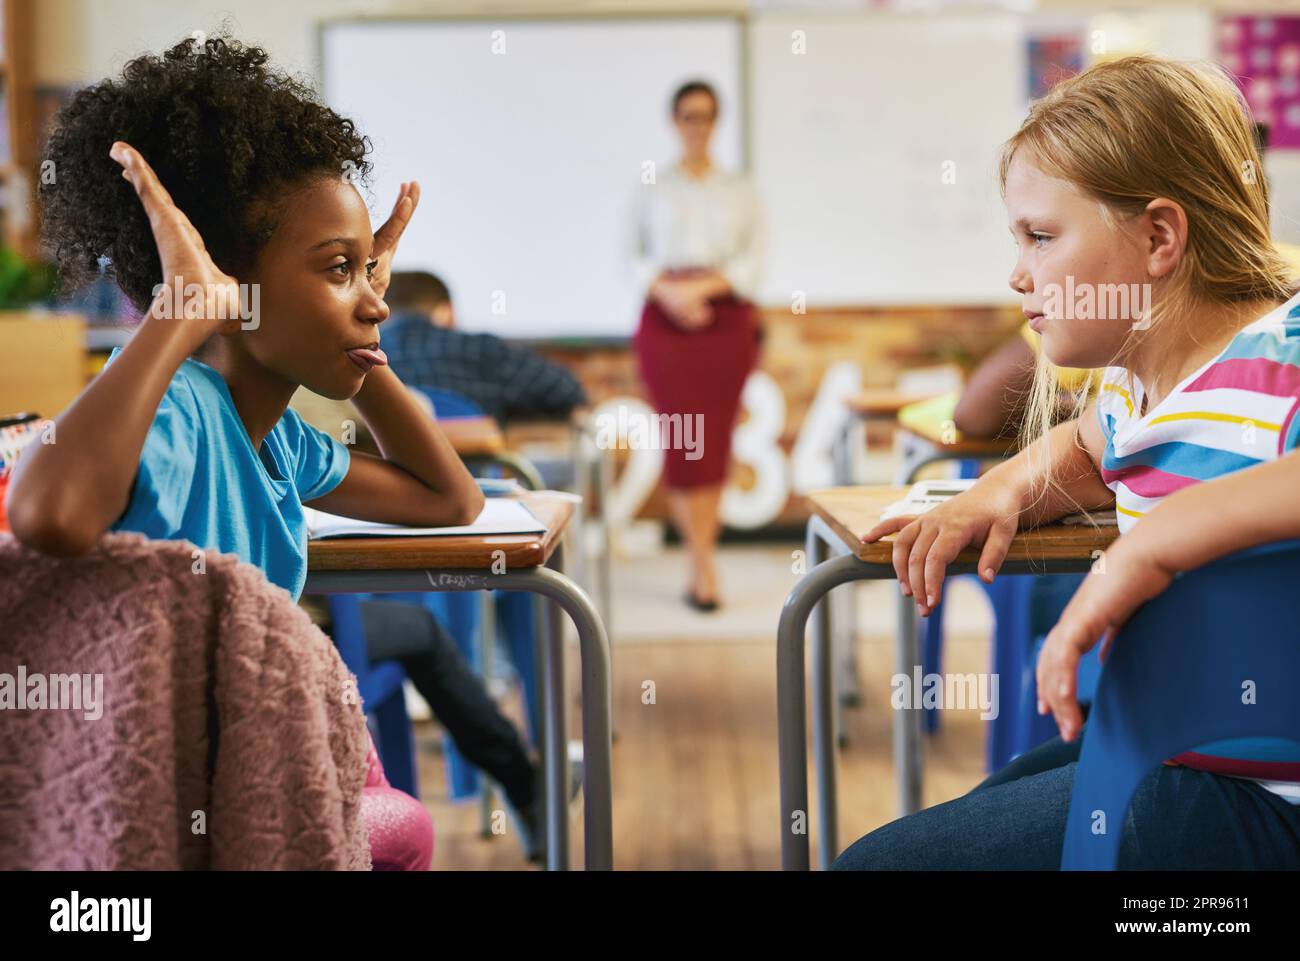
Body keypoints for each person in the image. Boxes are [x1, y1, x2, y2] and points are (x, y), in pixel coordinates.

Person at [1, 35, 551, 863]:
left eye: (372, 272)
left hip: (221, 773)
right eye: (338, 269)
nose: (372, 300)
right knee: (400, 827)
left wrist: (363, 331)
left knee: (399, 827)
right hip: (139, 791)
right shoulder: (176, 404)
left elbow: (451, 500)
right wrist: (180, 312)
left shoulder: (282, 440)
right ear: (231, 285)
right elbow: (45, 513)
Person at [836, 55, 1300, 869]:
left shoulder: (1281, 354)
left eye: (1041, 237)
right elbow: (1089, 444)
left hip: (1264, 804)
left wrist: (1160, 540)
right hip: (1173, 755)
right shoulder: (1136, 389)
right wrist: (1002, 487)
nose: (1018, 273)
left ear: (1159, 237)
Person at [629, 79, 763, 611]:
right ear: (674, 121)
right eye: (687, 115)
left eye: (706, 116)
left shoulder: (741, 189)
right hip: (664, 323)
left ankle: (703, 558)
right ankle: (700, 562)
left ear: (717, 121)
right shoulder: (651, 189)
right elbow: (632, 258)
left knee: (715, 443)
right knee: (684, 443)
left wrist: (702, 290)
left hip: (724, 319)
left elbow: (753, 259)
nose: (696, 125)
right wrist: (670, 292)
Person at [380, 270, 587, 424]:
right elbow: (566, 391)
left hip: (382, 479)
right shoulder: (482, 351)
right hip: (474, 478)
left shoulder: (367, 357)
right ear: (448, 312)